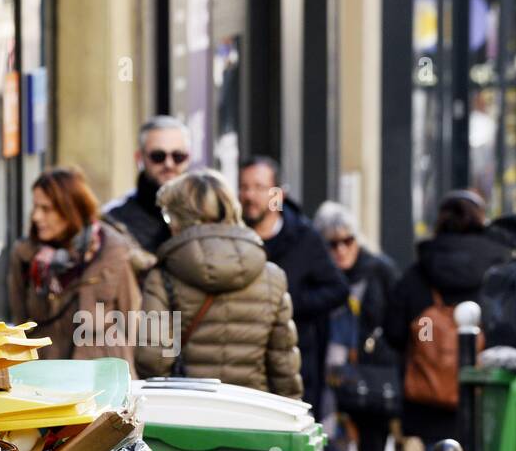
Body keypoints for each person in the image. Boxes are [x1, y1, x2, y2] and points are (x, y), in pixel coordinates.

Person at [136, 170, 302, 397]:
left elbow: (152, 363)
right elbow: (283, 367)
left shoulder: (163, 277)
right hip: (255, 415)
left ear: (179, 219)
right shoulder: (271, 276)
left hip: (186, 413)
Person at [384, 189, 512, 451]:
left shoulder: (418, 273)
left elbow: (393, 331)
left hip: (429, 403)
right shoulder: (500, 271)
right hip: (485, 396)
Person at [238, 156, 349, 417]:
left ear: (278, 193)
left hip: (294, 371)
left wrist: (290, 304)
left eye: (259, 187)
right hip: (242, 370)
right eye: (244, 187)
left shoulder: (304, 237)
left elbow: (337, 289)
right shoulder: (232, 236)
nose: (249, 195)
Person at [315, 202, 400, 451]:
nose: (341, 250)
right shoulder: (320, 276)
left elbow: (398, 321)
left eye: (347, 241)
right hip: (333, 380)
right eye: (331, 244)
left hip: (372, 379)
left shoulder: (380, 270)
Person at [8, 166, 141, 375]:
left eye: (46, 209)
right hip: (47, 378)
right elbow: (20, 324)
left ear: (71, 209)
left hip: (101, 378)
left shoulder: (112, 251)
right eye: (35, 207)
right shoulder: (25, 255)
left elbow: (131, 315)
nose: (36, 216)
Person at [101, 115, 192, 256]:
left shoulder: (208, 212)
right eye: (158, 156)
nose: (169, 164)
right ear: (139, 158)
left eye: (178, 156)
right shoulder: (114, 218)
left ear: (188, 158)